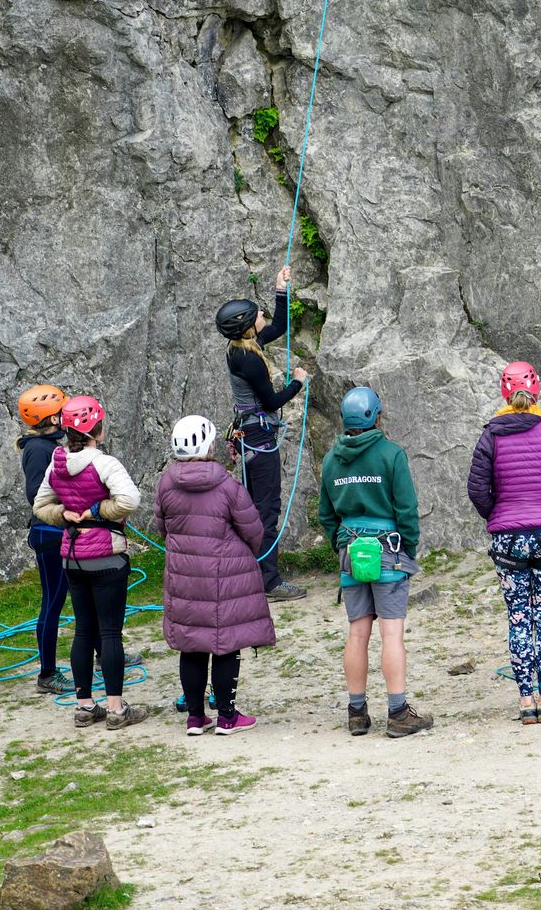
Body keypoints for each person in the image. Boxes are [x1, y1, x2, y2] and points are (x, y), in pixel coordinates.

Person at [467, 361, 541, 723]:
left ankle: (525, 701)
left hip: (508, 539)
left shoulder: (490, 436)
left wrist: (497, 516)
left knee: (518, 617)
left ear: (504, 392)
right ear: (536, 390)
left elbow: (477, 490)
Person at [317, 385, 432, 739]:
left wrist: (341, 545)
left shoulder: (331, 459)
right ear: (376, 416)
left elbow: (327, 515)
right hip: (388, 552)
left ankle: (356, 713)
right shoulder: (391, 455)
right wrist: (408, 548)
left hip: (351, 552)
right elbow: (406, 510)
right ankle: (397, 712)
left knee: (357, 632)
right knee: (391, 633)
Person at [32, 396, 148, 728]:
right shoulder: (104, 463)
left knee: (83, 630)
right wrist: (98, 510)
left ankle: (85, 706)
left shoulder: (56, 464)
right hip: (107, 556)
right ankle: (116, 709)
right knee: (110, 632)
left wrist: (64, 514)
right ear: (96, 429)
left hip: (73, 557)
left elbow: (40, 506)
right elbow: (130, 500)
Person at [153, 415, 270, 735]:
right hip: (223, 576)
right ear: (208, 445)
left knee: (192, 643)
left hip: (184, 576)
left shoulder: (166, 483)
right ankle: (227, 717)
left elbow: (162, 527)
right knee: (225, 643)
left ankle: (195, 717)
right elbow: (253, 530)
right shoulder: (227, 485)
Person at [216, 263, 308, 603]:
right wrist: (297, 383)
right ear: (246, 326)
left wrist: (281, 289)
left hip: (249, 435)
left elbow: (280, 326)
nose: (262, 316)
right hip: (259, 437)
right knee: (265, 509)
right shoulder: (249, 359)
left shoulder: (243, 347)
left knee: (254, 509)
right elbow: (271, 401)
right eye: (257, 314)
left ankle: (253, 575)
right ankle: (269, 582)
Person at [16, 385, 72, 695]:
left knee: (84, 598)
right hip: (50, 534)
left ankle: (104, 655)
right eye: (62, 411)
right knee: (52, 602)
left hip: (59, 532)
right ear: (51, 418)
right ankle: (47, 674)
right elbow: (36, 494)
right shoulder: (39, 449)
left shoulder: (48, 445)